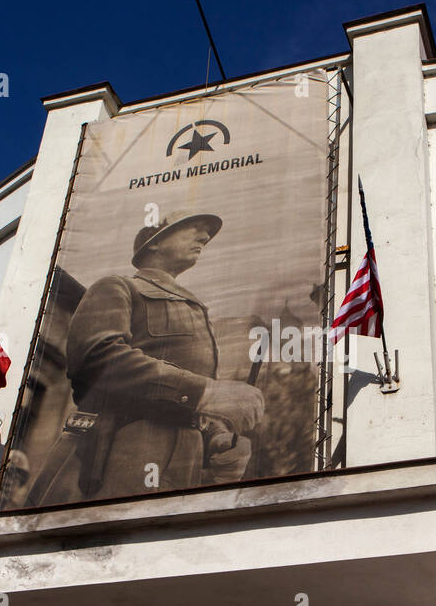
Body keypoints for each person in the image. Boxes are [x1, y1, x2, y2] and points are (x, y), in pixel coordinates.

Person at [30, 213, 264, 504]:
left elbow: (183, 405)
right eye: (193, 229)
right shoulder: (117, 287)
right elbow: (99, 359)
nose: (203, 238)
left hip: (180, 468)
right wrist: (207, 393)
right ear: (153, 243)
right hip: (115, 452)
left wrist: (217, 440)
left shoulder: (196, 309)